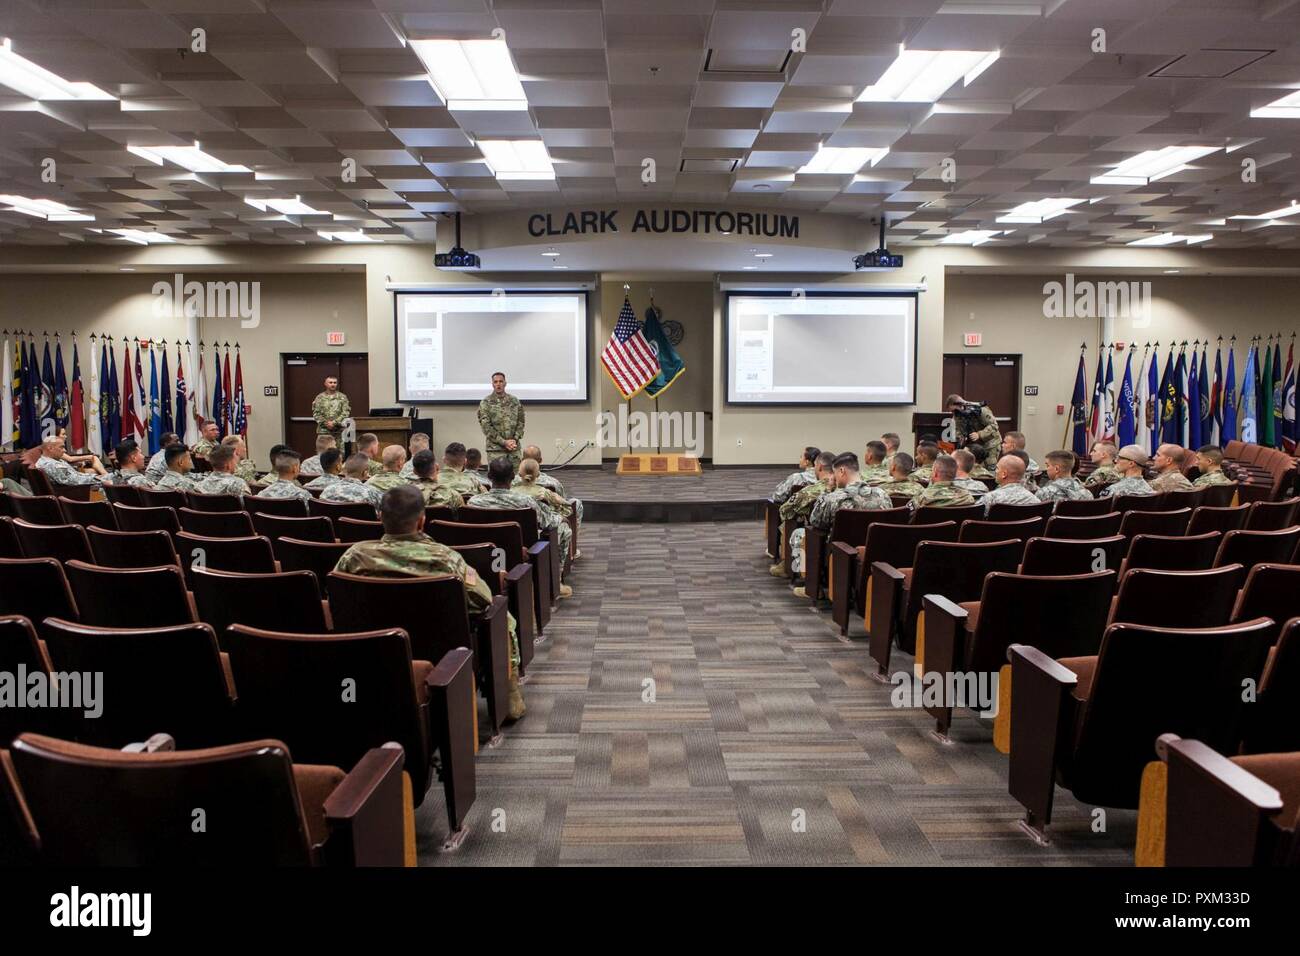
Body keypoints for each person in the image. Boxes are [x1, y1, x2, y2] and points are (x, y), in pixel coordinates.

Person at [333, 484, 524, 721]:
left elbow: (337, 599)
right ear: (422, 520)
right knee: (501, 614)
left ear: (380, 517)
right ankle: (510, 691)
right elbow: (482, 599)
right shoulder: (446, 559)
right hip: (443, 652)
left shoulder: (354, 556)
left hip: (372, 650)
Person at [469, 457, 572, 598]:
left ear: (489, 477)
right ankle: (556, 582)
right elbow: (548, 522)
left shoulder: (473, 502)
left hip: (484, 552)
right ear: (513, 477)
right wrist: (561, 517)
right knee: (564, 528)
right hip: (520, 550)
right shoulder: (525, 501)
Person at [788, 453, 890, 595]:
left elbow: (816, 522)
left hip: (839, 551)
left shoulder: (834, 498)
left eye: (834, 473)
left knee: (800, 534)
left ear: (841, 471)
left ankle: (812, 587)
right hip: (873, 549)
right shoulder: (883, 495)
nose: (833, 477)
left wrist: (831, 490)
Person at [769, 451, 836, 577]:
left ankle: (797, 570)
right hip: (846, 544)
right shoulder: (845, 491)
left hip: (820, 539)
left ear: (819, 467)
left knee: (792, 525)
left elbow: (785, 510)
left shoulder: (809, 492)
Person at [514, 459, 579, 559]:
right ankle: (559, 571)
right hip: (538, 536)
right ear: (538, 475)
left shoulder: (511, 492)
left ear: (519, 474)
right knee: (565, 529)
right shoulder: (544, 492)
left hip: (514, 537)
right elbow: (568, 510)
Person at [477, 372, 525, 470]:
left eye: (501, 381)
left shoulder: (514, 401)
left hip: (513, 448)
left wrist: (514, 440)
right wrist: (504, 442)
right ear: (492, 384)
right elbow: (486, 427)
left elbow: (521, 422)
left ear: (505, 383)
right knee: (496, 480)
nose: (498, 384)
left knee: (515, 479)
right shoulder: (486, 403)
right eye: (495, 382)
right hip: (495, 450)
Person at [946, 393, 1001, 464]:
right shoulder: (957, 414)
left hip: (990, 444)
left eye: (954, 410)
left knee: (989, 467)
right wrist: (960, 437)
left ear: (961, 405)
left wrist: (979, 434)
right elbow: (958, 429)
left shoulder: (981, 410)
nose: (953, 413)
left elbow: (994, 425)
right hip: (975, 446)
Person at [34, 435, 107, 486]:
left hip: (83, 482)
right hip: (83, 490)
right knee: (113, 481)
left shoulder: (53, 459)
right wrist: (102, 477)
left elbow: (73, 475)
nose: (64, 450)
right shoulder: (50, 465)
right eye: (61, 447)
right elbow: (76, 482)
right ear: (50, 448)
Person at [911, 455, 975, 510]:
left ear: (935, 472)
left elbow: (907, 513)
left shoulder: (922, 497)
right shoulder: (967, 496)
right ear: (955, 473)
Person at [311, 375, 350, 449]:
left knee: (339, 454)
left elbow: (345, 412)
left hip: (338, 431)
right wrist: (326, 423)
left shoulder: (342, 397)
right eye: (330, 382)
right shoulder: (319, 397)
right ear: (325, 384)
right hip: (324, 431)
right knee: (323, 453)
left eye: (335, 383)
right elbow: (316, 413)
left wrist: (334, 422)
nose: (333, 384)